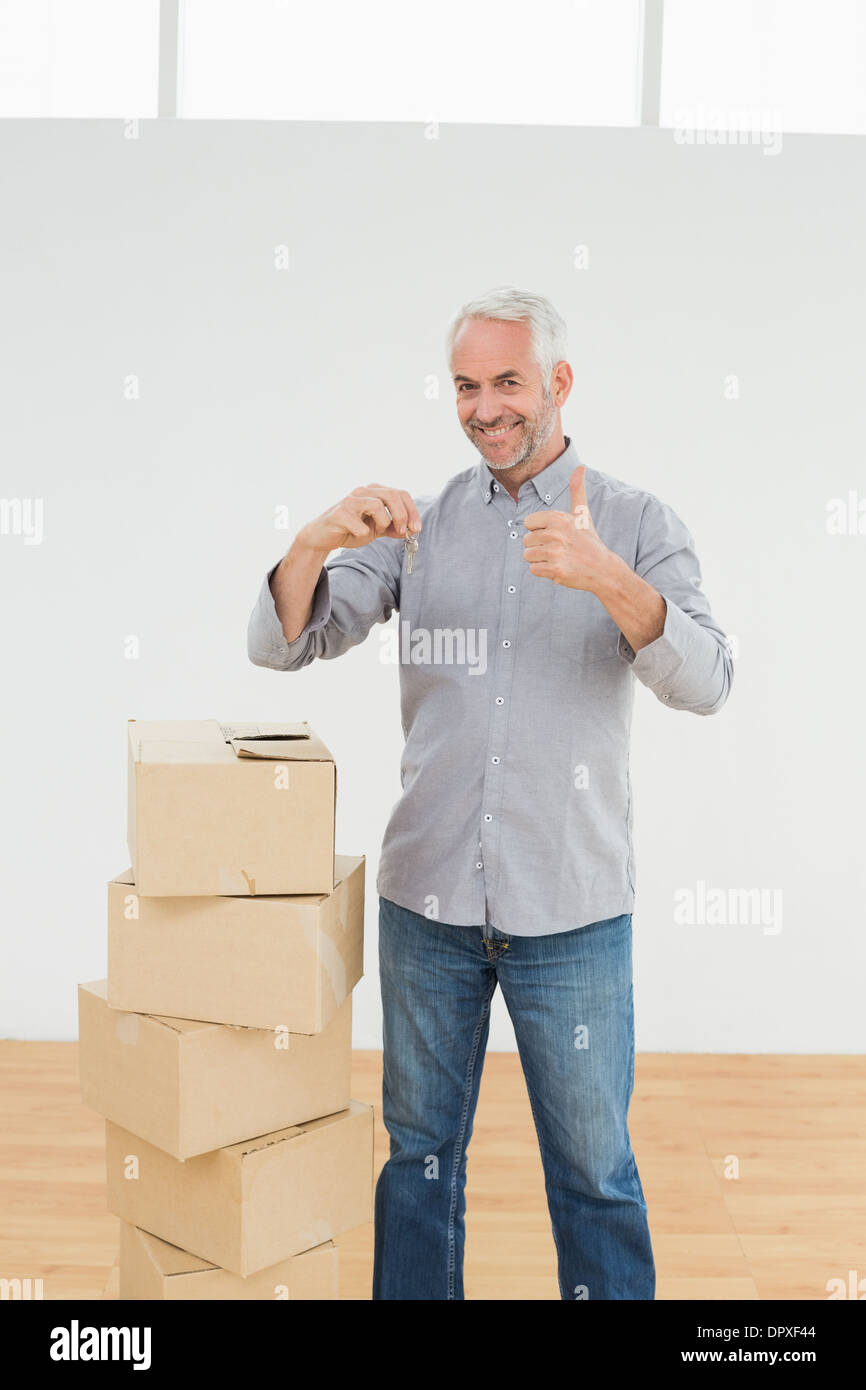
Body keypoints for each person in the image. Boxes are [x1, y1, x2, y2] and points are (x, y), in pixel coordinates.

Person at [247, 286, 733, 1300]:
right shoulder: (418, 528)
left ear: (557, 382)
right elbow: (287, 642)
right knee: (418, 1162)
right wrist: (313, 543)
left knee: (594, 1174)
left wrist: (609, 579)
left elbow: (708, 681)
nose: (484, 408)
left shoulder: (637, 524)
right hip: (426, 908)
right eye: (466, 386)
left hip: (572, 910)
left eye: (506, 381)